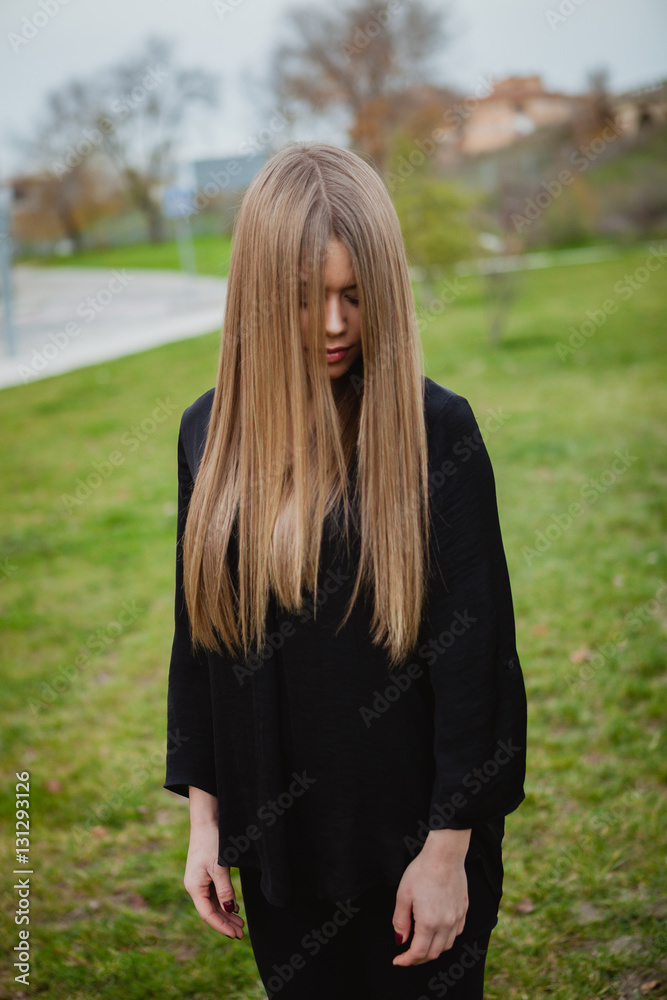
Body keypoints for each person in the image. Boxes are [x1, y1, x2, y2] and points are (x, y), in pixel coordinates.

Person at [163, 141, 527, 999]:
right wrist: (206, 823)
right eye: (304, 298)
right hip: (278, 854)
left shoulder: (436, 433)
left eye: (353, 296)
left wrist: (447, 852)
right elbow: (201, 643)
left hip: (413, 856)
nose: (333, 324)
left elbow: (477, 666)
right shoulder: (205, 435)